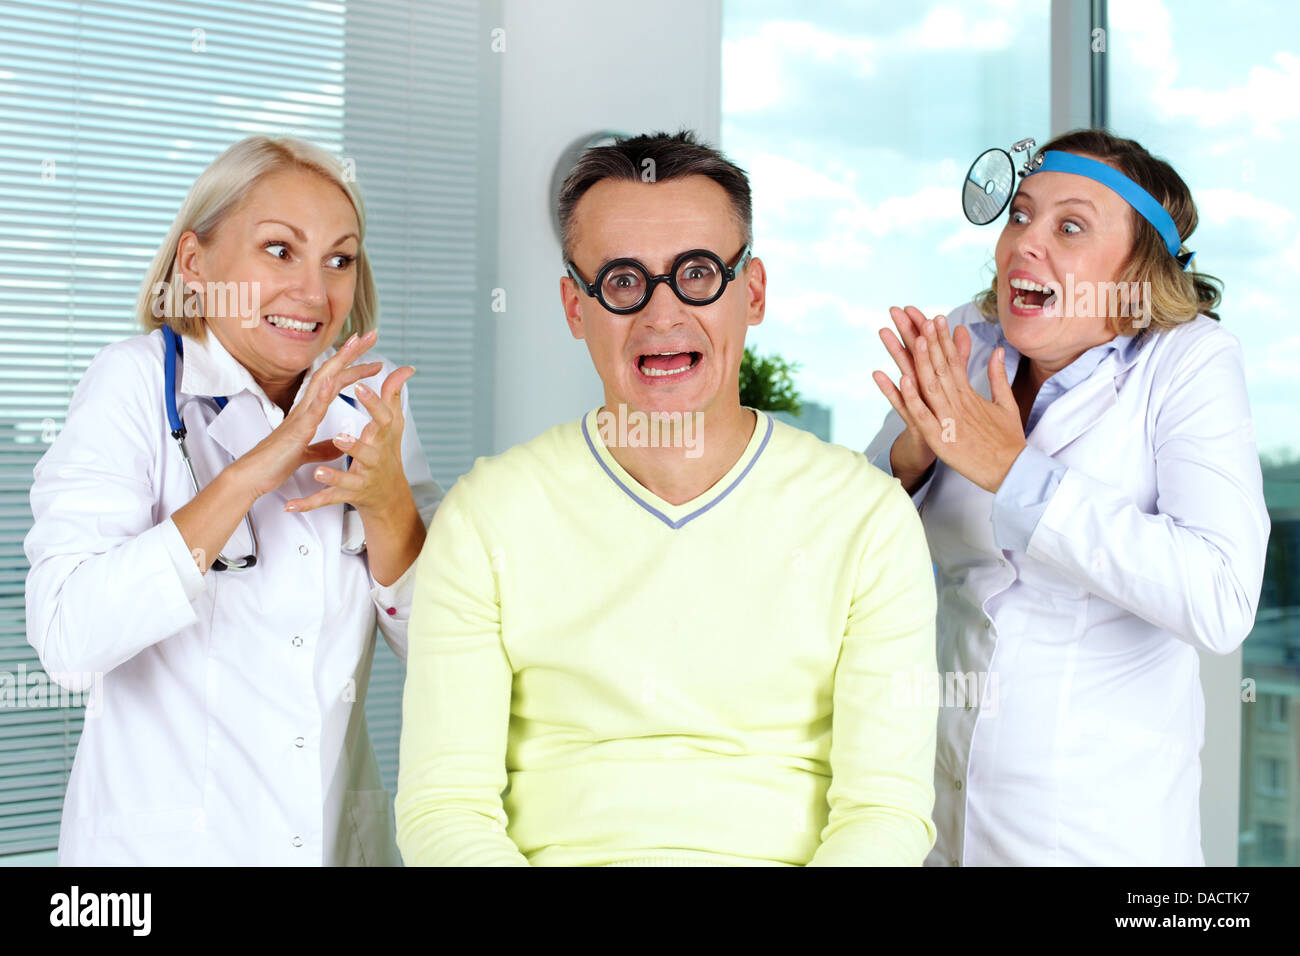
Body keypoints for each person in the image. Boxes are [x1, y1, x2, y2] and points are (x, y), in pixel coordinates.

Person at [395, 131, 939, 867]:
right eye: (623, 281)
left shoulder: (867, 519)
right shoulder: (486, 514)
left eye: (697, 273)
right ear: (573, 306)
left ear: (752, 294)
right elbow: (443, 809)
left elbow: (886, 813)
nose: (662, 314)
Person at [24, 135, 441, 865]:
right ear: (195, 263)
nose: (315, 292)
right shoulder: (134, 386)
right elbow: (68, 642)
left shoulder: (370, 410)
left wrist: (386, 505)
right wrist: (249, 473)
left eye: (339, 259)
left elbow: (445, 649)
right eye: (279, 250)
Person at [867, 129, 1270, 865]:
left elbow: (1220, 597)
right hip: (935, 819)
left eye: (1071, 226)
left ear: (1136, 270)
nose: (1026, 242)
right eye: (1019, 215)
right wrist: (911, 455)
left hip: (1096, 836)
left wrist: (1014, 472)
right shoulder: (967, 334)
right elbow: (860, 540)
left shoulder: (1189, 363)